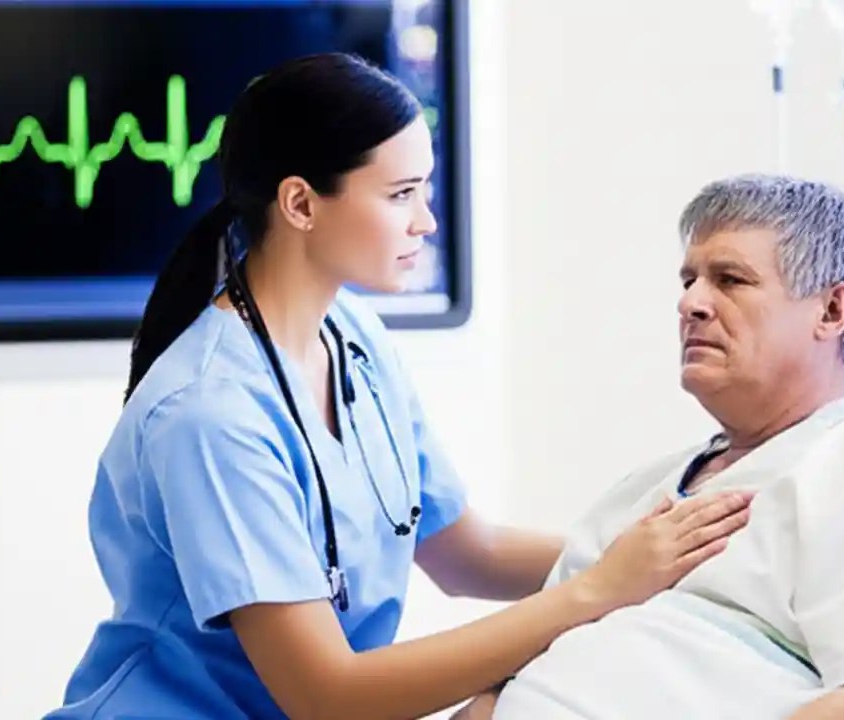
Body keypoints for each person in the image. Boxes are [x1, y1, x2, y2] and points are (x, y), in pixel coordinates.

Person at [44, 53, 754, 720]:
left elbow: (464, 554)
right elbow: (325, 695)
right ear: (300, 204)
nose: (427, 222)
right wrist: (596, 590)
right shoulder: (210, 415)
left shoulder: (351, 336)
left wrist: (655, 554)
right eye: (401, 195)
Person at [470, 175, 844, 720]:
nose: (690, 303)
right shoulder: (640, 494)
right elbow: (518, 667)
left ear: (831, 311)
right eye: (689, 280)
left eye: (730, 280)